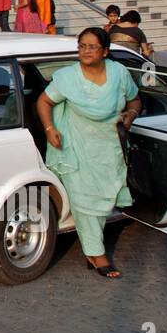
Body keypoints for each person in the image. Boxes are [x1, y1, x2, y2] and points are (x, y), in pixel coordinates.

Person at [37, 27, 142, 278]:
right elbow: (43, 101)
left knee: (102, 200)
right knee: (85, 203)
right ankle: (97, 254)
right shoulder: (68, 77)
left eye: (91, 47)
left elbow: (135, 100)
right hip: (75, 148)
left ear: (105, 51)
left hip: (109, 148)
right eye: (82, 46)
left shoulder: (119, 74)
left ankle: (92, 250)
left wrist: (131, 115)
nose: (85, 51)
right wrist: (50, 128)